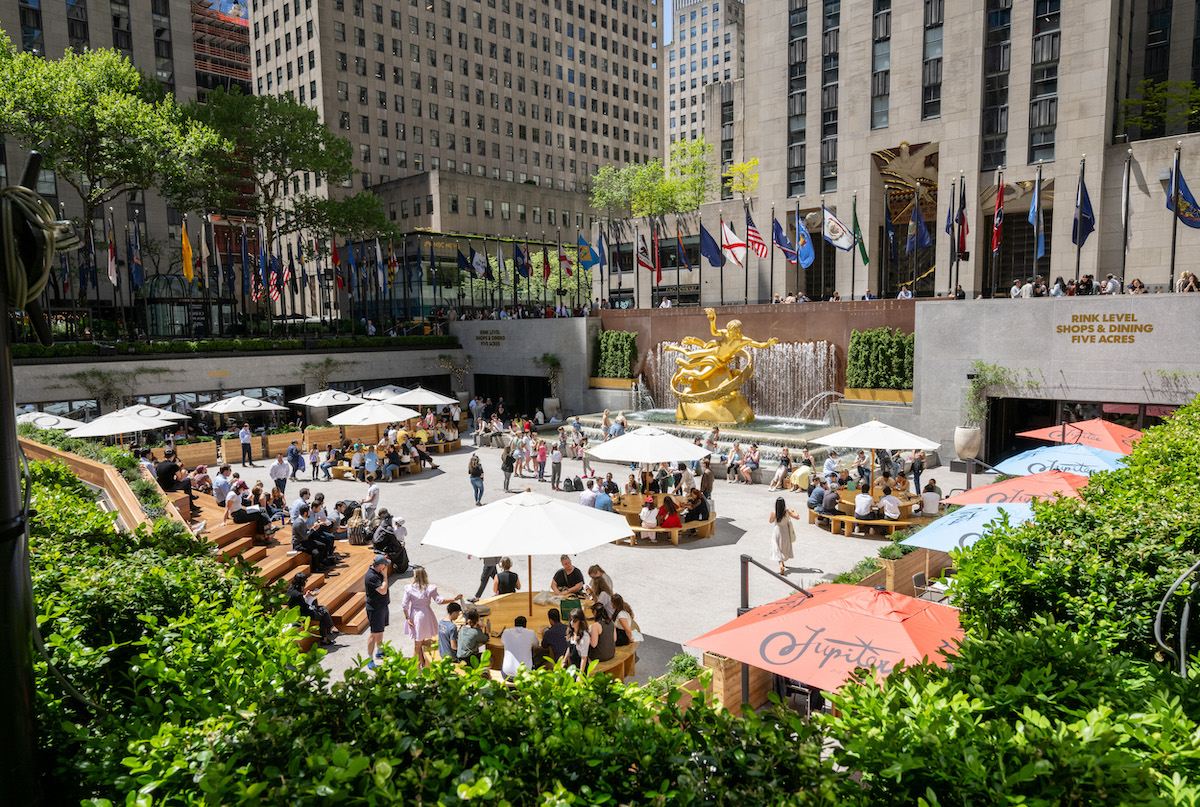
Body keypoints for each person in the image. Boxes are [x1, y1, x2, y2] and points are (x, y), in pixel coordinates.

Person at [402, 568, 463, 668]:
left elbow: (404, 605)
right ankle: (421, 663)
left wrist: (407, 617)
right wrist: (453, 599)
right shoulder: (430, 588)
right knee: (420, 642)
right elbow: (439, 600)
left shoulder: (409, 588)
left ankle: (415, 668)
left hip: (415, 615)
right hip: (426, 615)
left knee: (417, 644)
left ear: (415, 576)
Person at [286, 571, 338, 645]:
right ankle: (327, 634)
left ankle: (330, 629)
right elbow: (305, 607)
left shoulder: (290, 590)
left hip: (296, 611)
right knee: (322, 614)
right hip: (302, 614)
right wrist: (311, 597)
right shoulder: (298, 594)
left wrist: (306, 597)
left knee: (323, 609)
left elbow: (299, 603)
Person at [364, 555, 391, 668]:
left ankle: (379, 651)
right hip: (375, 608)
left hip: (382, 606)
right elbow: (383, 590)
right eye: (385, 565)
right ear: (380, 565)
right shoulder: (372, 577)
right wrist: (385, 577)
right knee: (374, 634)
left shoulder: (378, 573)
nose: (386, 567)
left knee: (380, 631)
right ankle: (369, 658)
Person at [769, 497, 799, 575]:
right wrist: (794, 511)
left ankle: (781, 564)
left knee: (777, 548)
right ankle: (782, 563)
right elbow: (797, 517)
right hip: (785, 531)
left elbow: (770, 521)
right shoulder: (787, 512)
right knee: (784, 547)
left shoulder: (774, 512)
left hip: (777, 530)